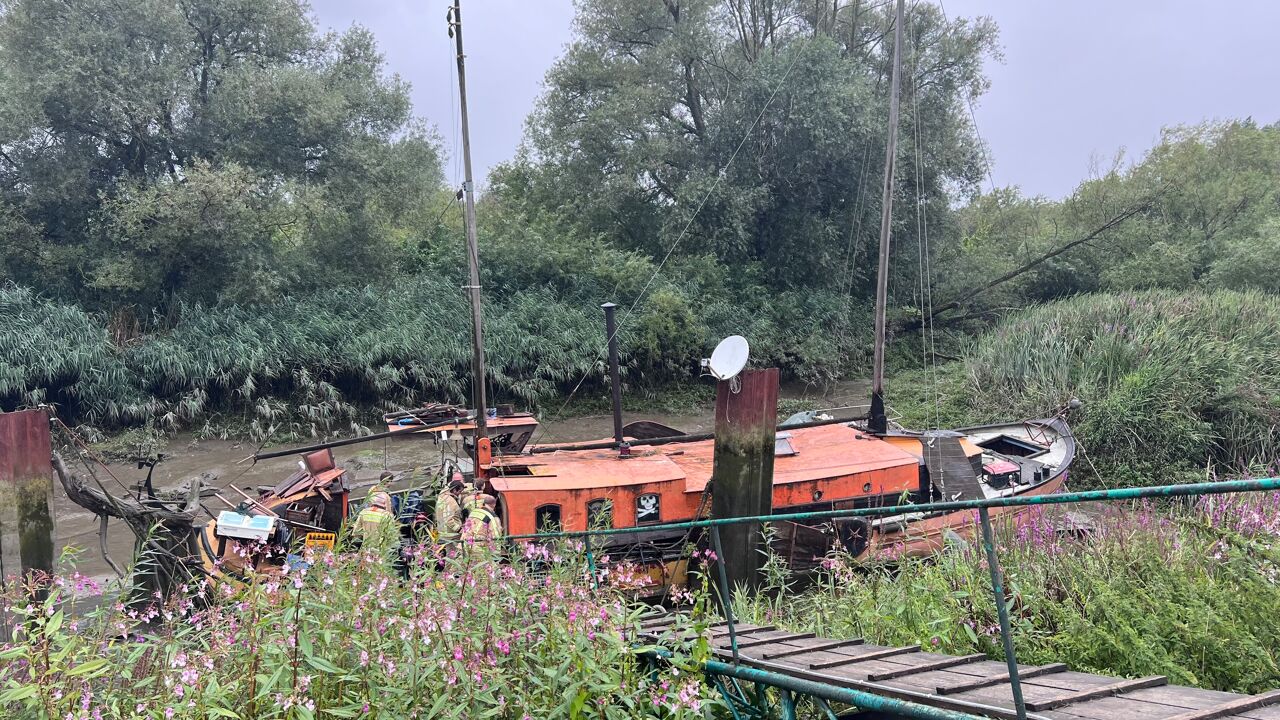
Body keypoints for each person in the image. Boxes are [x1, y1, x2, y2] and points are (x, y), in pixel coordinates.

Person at [434, 471, 465, 544]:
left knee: (449, 553)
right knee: (455, 552)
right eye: (459, 492)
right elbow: (448, 519)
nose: (459, 494)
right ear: (454, 490)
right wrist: (459, 529)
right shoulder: (451, 502)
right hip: (451, 534)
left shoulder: (442, 496)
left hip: (442, 531)